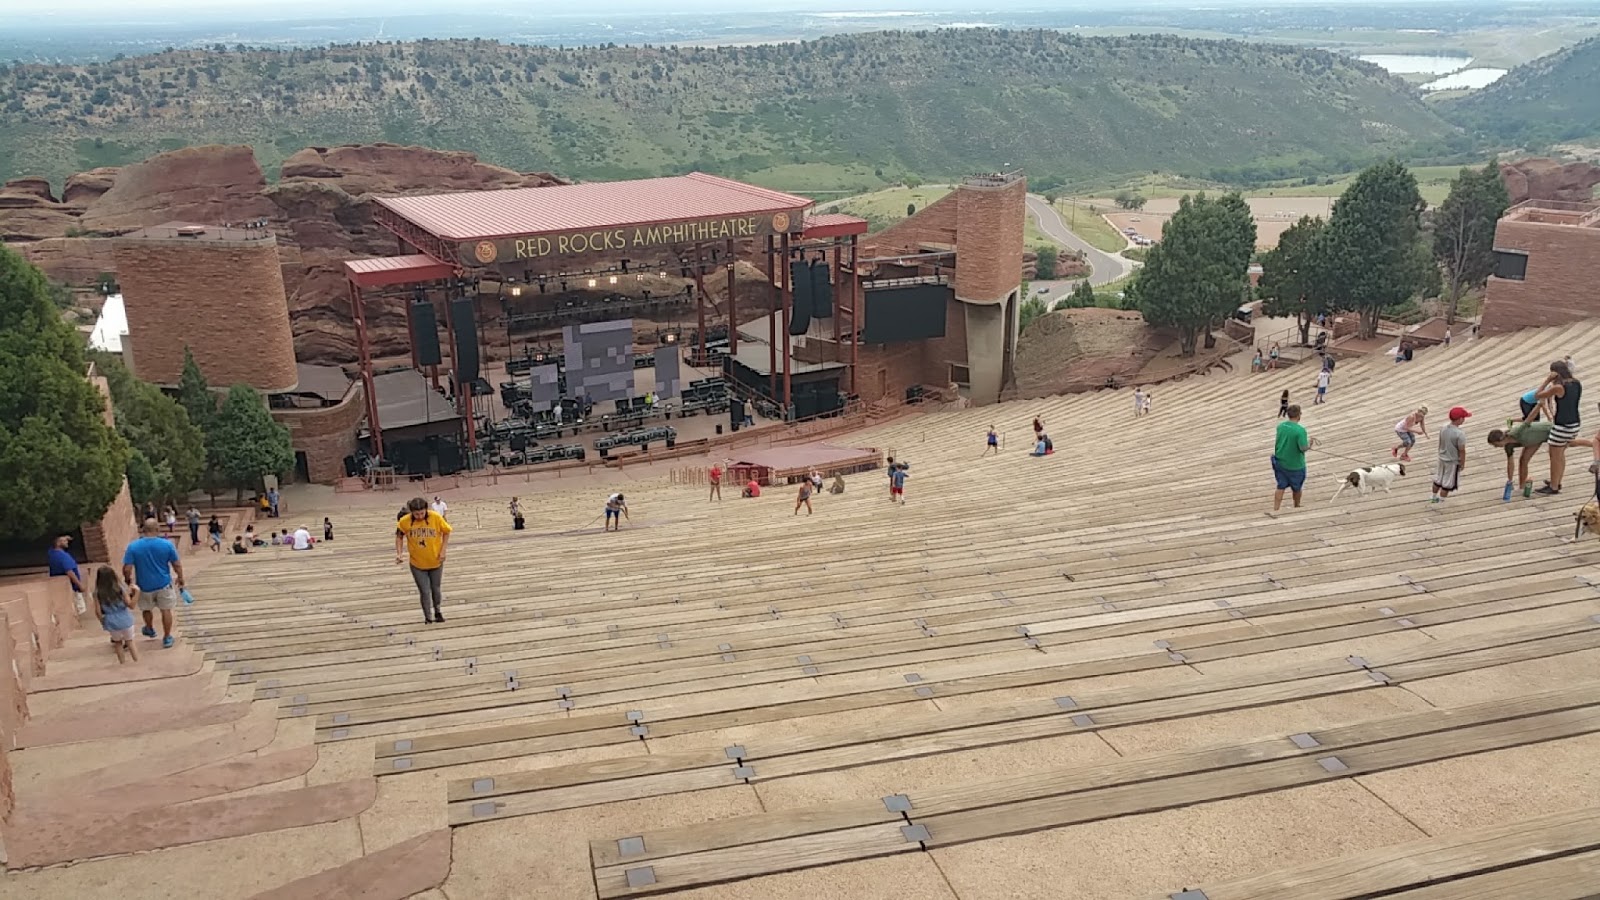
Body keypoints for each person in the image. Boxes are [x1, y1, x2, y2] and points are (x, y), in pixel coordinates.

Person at [122, 518, 185, 648]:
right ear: (157, 529)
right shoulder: (167, 545)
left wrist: (128, 580)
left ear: (143, 530)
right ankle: (167, 637)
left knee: (146, 609)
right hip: (164, 584)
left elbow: (127, 568)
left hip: (144, 585)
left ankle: (149, 628)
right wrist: (180, 577)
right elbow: (176, 564)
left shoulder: (133, 546)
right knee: (166, 610)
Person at [1529, 360, 1582, 496]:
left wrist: (1547, 380)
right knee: (1560, 453)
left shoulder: (1559, 387)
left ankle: (1553, 487)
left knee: (1554, 456)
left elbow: (1537, 395)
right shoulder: (1576, 383)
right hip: (1574, 423)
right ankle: (1557, 481)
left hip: (1562, 426)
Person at [395, 497, 451, 624]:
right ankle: (428, 617)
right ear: (412, 512)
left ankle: (437, 611)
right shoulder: (405, 521)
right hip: (417, 564)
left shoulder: (435, 518)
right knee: (424, 591)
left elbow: (447, 531)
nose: (420, 516)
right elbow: (399, 536)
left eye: (422, 513)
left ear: (426, 510)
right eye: (416, 514)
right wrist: (399, 553)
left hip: (435, 561)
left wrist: (443, 550)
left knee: (436, 589)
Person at [92, 567, 138, 664]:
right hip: (125, 618)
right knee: (130, 641)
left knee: (118, 643)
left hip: (111, 620)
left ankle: (122, 663)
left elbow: (98, 611)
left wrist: (103, 621)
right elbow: (131, 605)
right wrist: (137, 593)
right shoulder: (120, 589)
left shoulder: (97, 593)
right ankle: (136, 661)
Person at [1272, 405, 1311, 514]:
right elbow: (1303, 448)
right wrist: (1310, 444)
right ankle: (1297, 506)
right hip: (1295, 465)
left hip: (1280, 462)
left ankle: (1276, 508)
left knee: (1280, 486)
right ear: (1298, 415)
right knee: (1297, 488)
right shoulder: (1300, 431)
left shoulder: (1281, 426)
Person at [1432, 407, 1470, 502]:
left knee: (1438, 479)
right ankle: (1441, 501)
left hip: (1442, 458)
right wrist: (1462, 463)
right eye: (1463, 418)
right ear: (1459, 419)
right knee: (1447, 484)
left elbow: (1440, 442)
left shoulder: (1443, 428)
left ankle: (1433, 497)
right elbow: (1462, 450)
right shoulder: (1460, 434)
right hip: (1452, 461)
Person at [46, 534, 86, 614]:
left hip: (58, 586)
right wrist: (79, 585)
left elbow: (52, 547)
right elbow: (69, 572)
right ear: (58, 543)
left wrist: (64, 538)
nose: (67, 542)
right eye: (64, 541)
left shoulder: (52, 553)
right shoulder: (63, 556)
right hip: (71, 588)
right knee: (78, 609)